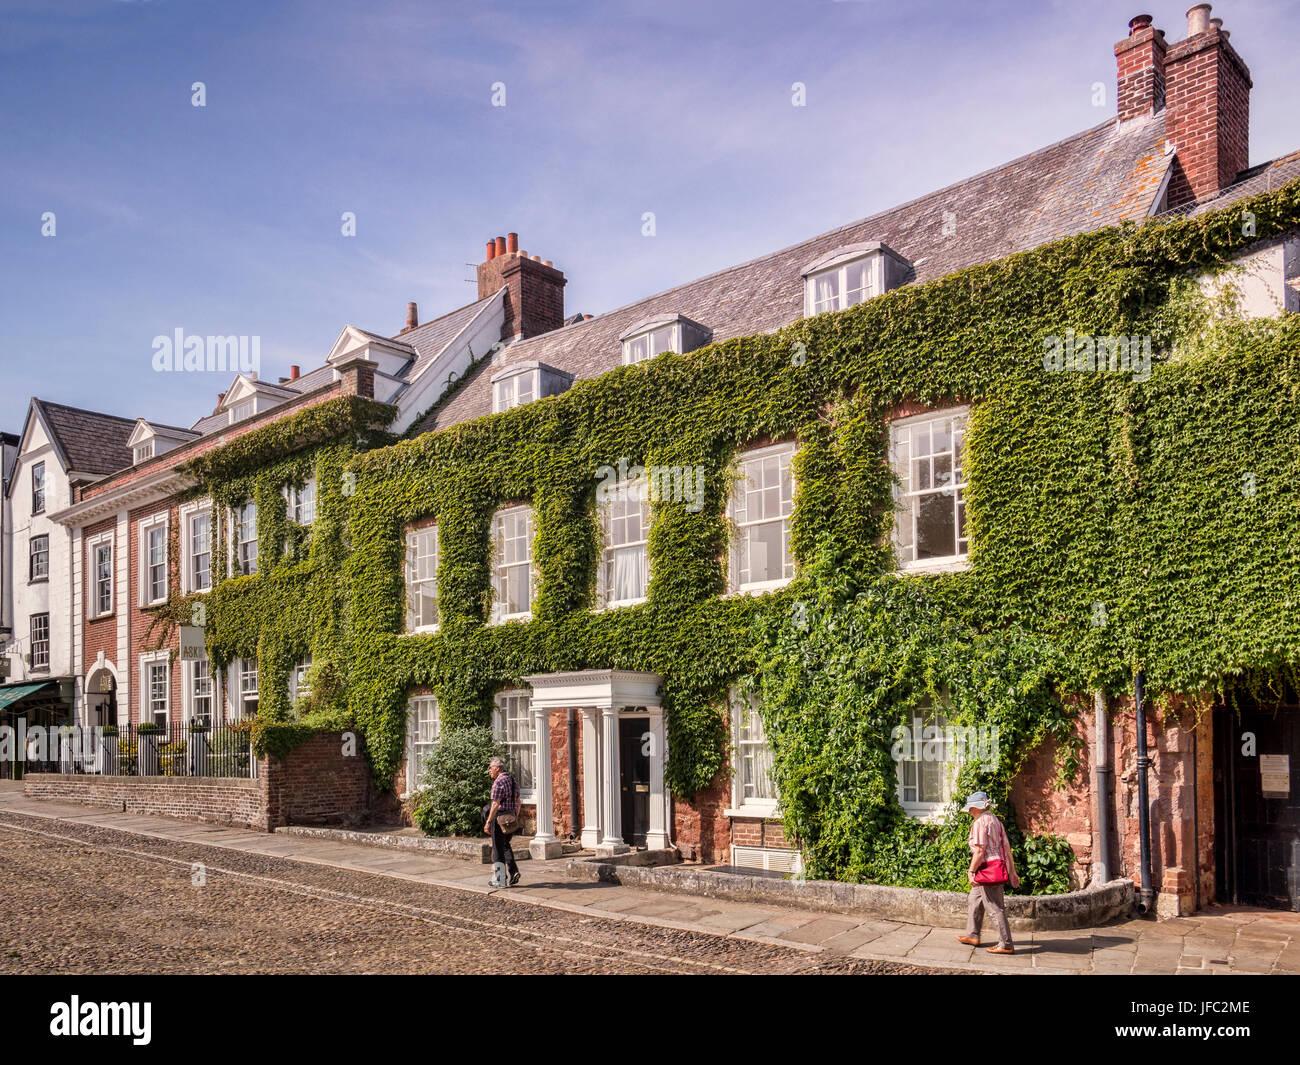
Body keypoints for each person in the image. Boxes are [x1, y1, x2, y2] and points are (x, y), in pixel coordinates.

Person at [957, 791, 1020, 955]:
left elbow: (979, 850)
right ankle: (973, 935)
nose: (969, 812)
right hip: (996, 866)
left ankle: (1006, 944)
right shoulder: (996, 821)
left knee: (994, 907)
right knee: (975, 899)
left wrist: (971, 871)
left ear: (978, 808)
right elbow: (1006, 849)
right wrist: (1012, 871)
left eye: (971, 808)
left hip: (987, 869)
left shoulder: (980, 823)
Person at [483, 756, 521, 888]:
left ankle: (500, 879)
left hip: (499, 819)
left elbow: (495, 804)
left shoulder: (498, 782)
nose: (489, 771)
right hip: (510, 819)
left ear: (497, 768)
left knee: (497, 849)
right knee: (505, 845)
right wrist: (515, 816)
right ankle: (514, 871)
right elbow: (518, 802)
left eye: (491, 768)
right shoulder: (513, 780)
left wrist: (488, 821)